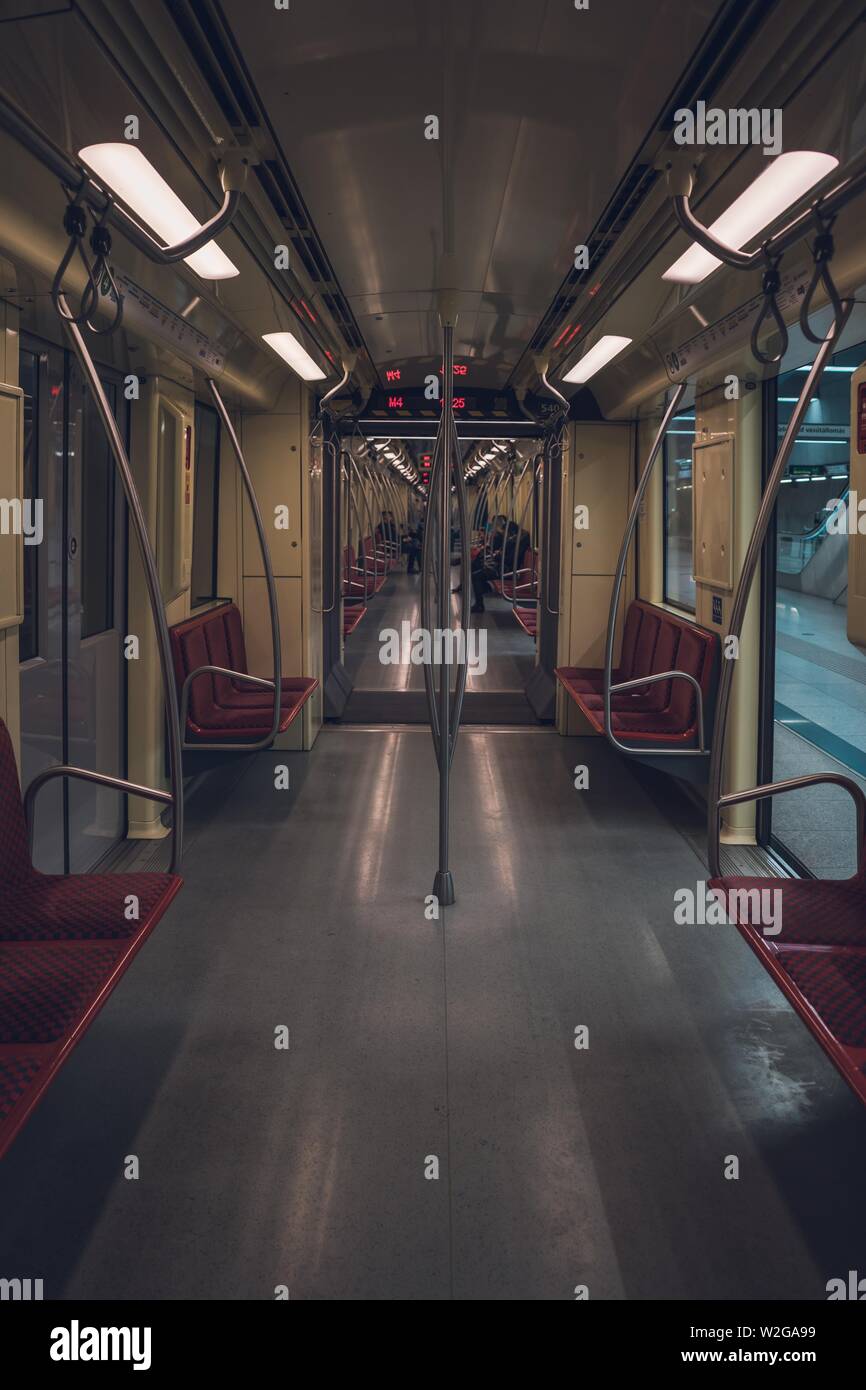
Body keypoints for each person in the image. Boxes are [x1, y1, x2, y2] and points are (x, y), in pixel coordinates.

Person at [471, 517, 530, 613]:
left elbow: (509, 560)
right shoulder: (516, 542)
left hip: (506, 571)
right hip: (503, 568)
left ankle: (480, 603)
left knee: (476, 576)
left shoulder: (514, 544)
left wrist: (498, 555)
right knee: (477, 568)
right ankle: (484, 591)